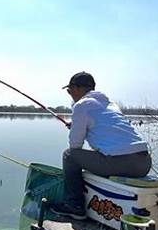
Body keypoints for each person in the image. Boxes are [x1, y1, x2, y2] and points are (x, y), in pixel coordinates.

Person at [51, 72, 151, 220]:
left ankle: (74, 206)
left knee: (70, 156)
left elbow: (75, 145)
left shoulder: (81, 106)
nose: (70, 94)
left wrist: (76, 128)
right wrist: (80, 127)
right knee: (87, 156)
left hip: (122, 163)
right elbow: (107, 133)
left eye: (69, 90)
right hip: (144, 163)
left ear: (77, 88)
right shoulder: (111, 105)